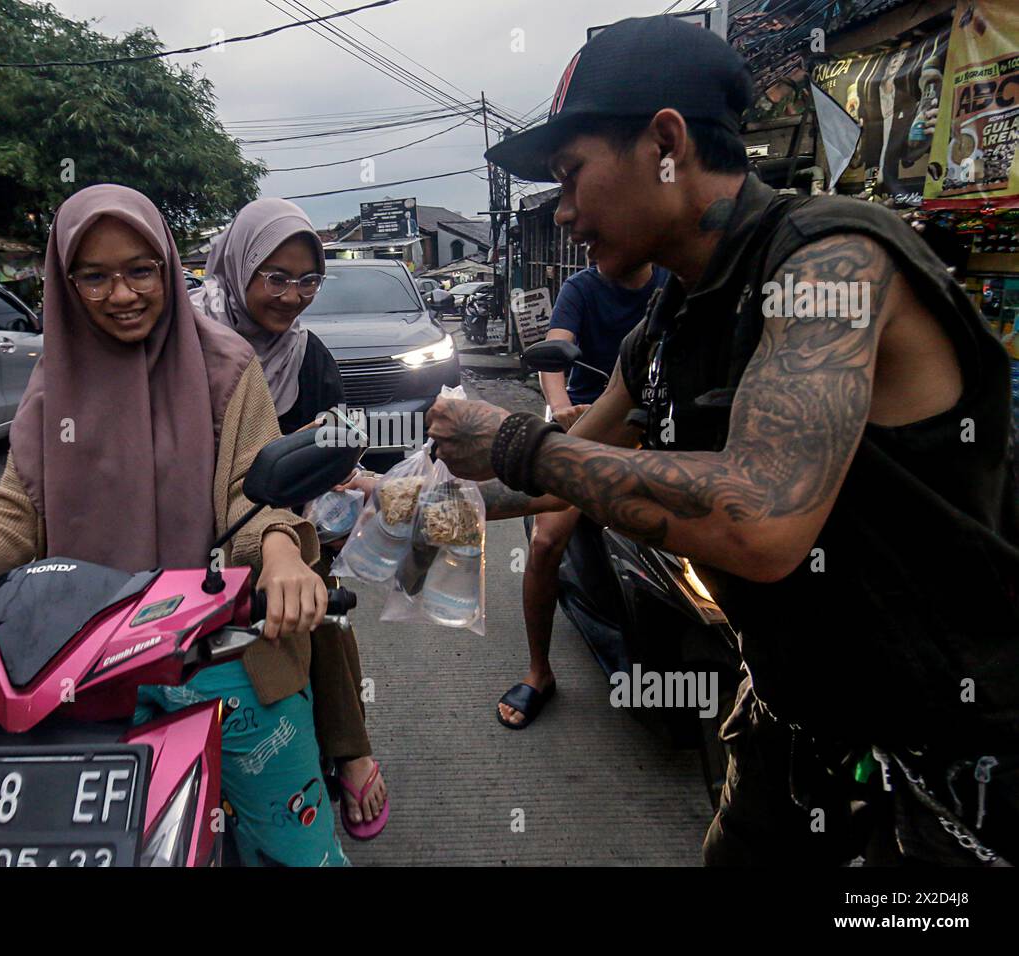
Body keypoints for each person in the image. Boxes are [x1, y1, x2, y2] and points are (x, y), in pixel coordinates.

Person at [426, 17, 1019, 865]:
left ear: (665, 142)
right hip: (789, 732)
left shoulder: (832, 260)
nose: (565, 213)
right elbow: (568, 474)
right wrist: (404, 505)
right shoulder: (670, 318)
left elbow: (760, 519)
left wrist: (517, 440)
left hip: (953, 774)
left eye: (571, 177)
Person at [0, 183, 348, 867]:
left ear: (170, 267)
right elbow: (16, 517)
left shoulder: (227, 367)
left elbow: (248, 492)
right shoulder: (53, 387)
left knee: (300, 852)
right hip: (83, 669)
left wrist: (282, 556)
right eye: (95, 276)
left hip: (229, 657)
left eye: (141, 270)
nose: (122, 295)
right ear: (65, 280)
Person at [192, 197, 389, 840]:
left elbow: (334, 448)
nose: (292, 296)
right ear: (238, 265)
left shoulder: (307, 357)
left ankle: (349, 748)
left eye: (308, 280)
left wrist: (353, 486)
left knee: (319, 608)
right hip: (184, 527)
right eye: (275, 277)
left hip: (285, 524)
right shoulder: (184, 342)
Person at [498, 260, 668, 730]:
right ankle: (539, 671)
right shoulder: (581, 288)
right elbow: (557, 351)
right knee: (547, 541)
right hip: (587, 427)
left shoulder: (676, 282)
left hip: (662, 427)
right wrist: (560, 407)